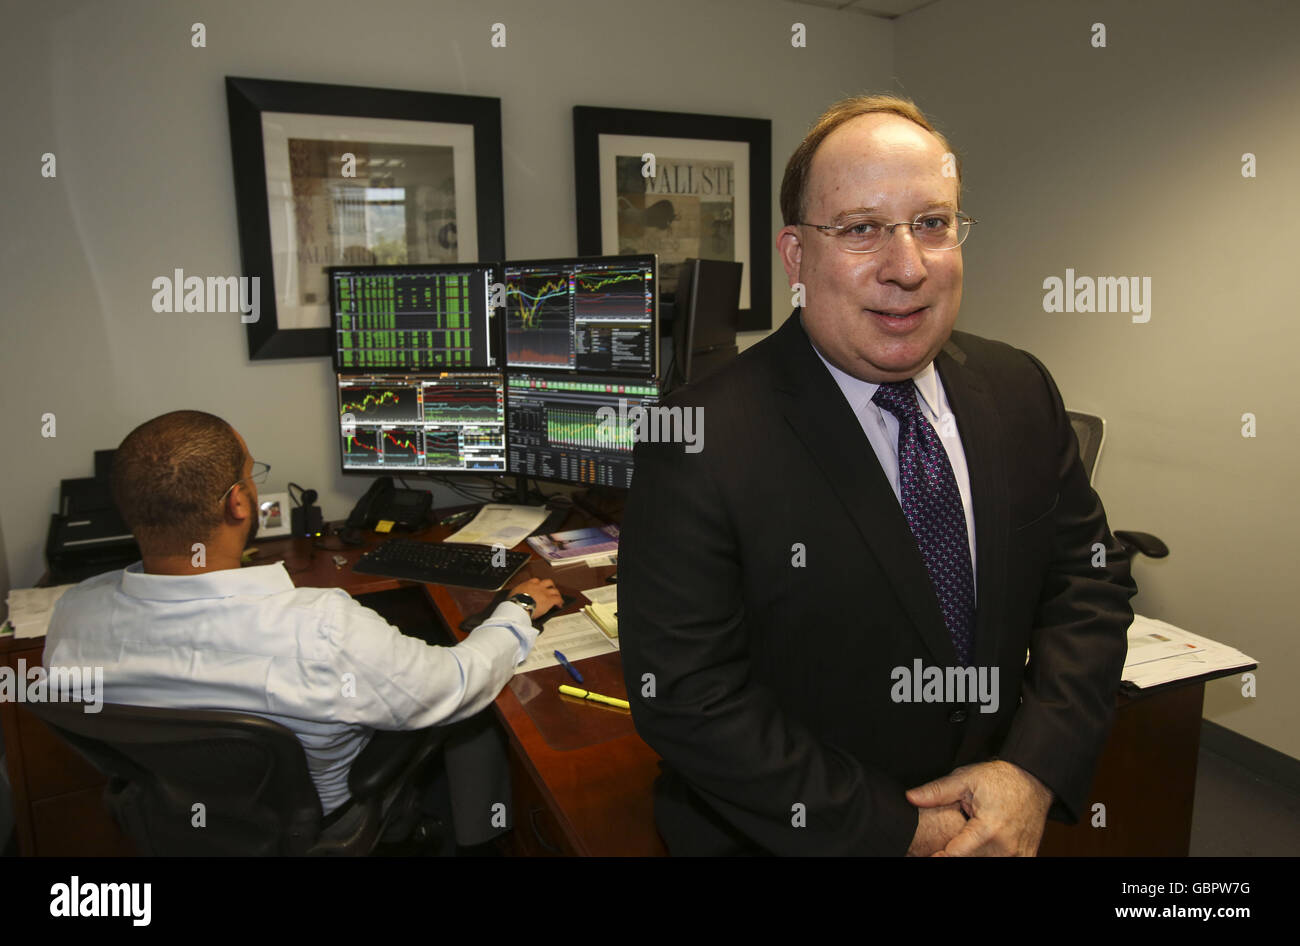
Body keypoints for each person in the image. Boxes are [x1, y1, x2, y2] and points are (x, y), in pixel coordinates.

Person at [619, 94, 1137, 856]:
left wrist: (1032, 771)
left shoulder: (1019, 387)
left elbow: (1087, 584)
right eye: (862, 229)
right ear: (796, 256)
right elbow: (691, 700)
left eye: (932, 223)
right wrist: (904, 830)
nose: (908, 267)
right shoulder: (695, 438)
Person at [44, 409, 561, 845]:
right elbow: (457, 682)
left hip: (179, 820)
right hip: (321, 825)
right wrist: (517, 608)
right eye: (251, 474)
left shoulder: (72, 617)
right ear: (238, 502)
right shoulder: (320, 628)